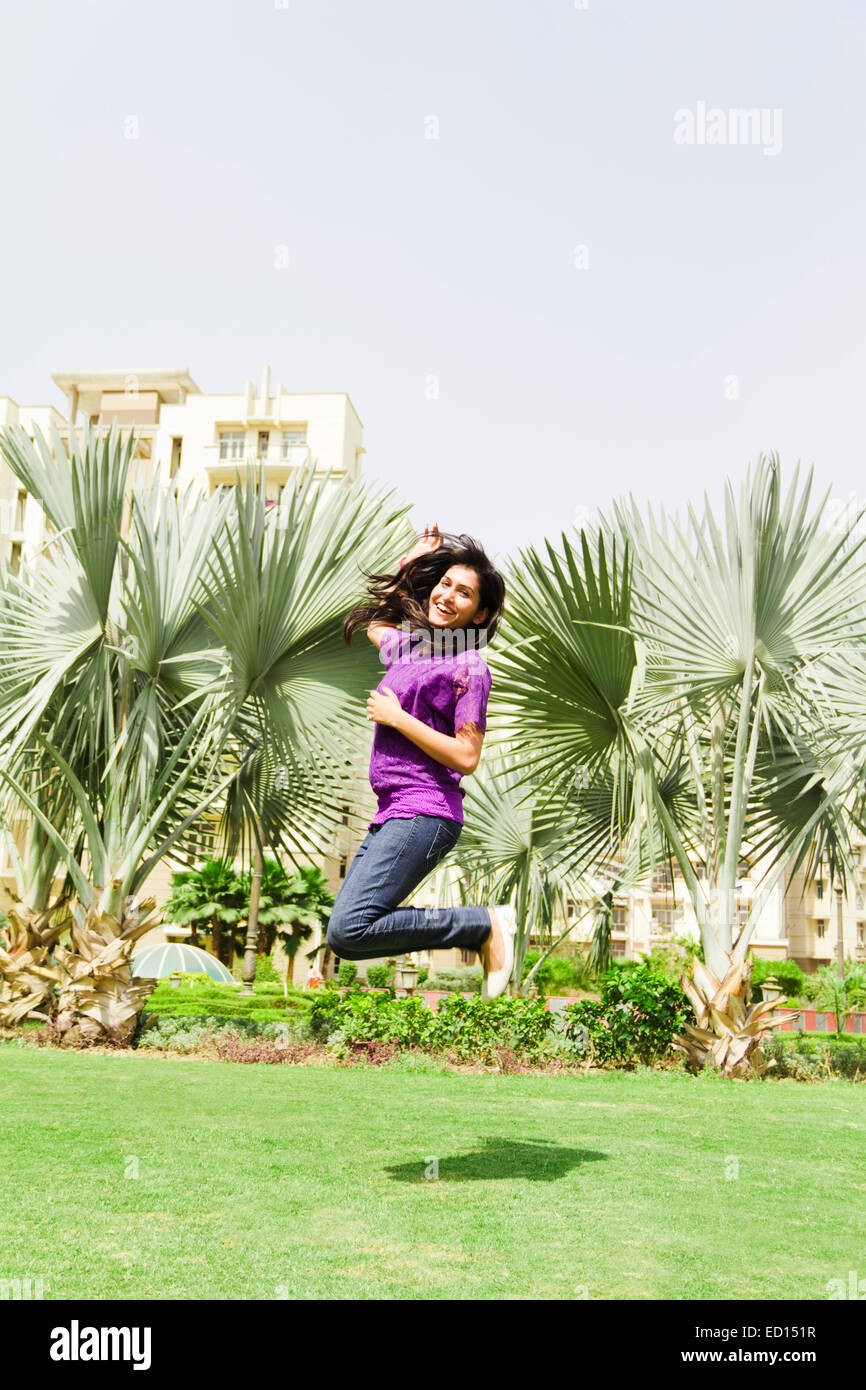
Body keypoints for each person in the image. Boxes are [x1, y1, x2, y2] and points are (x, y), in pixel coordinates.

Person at [326, 524, 516, 1000]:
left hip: (425, 810)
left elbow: (467, 756)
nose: (448, 596)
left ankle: (482, 924)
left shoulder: (469, 667)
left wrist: (397, 718)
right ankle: (480, 925)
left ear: (481, 612)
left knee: (350, 930)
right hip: (393, 811)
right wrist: (410, 560)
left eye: (465, 593)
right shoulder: (410, 649)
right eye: (445, 584)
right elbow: (374, 619)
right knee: (344, 935)